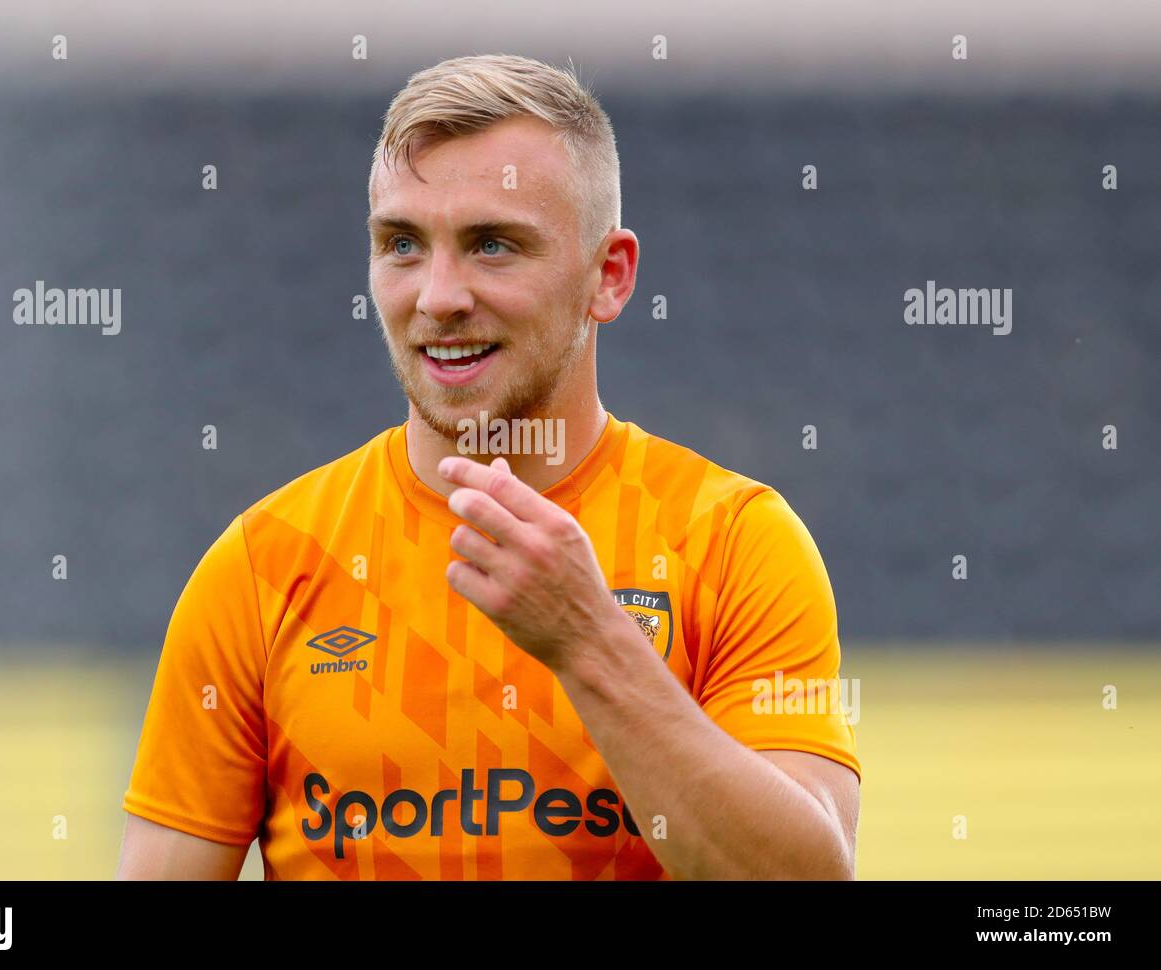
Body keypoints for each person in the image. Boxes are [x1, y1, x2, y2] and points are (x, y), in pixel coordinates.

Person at [117, 53, 859, 880]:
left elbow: (808, 875)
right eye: (402, 243)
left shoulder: (735, 542)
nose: (438, 296)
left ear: (607, 278)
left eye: (492, 245)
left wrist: (588, 643)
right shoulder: (263, 565)